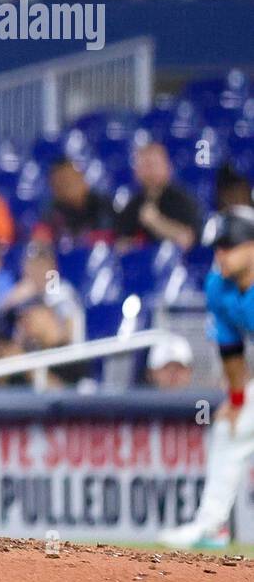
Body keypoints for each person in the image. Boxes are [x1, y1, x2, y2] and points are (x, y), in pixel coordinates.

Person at [161, 207, 254, 549]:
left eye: (230, 246)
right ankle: (212, 526)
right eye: (218, 247)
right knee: (232, 427)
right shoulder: (218, 285)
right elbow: (231, 347)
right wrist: (238, 400)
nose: (222, 254)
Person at [114, 142, 200, 250]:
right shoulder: (133, 204)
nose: (149, 172)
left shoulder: (183, 201)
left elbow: (188, 240)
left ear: (167, 167)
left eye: (153, 165)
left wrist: (156, 222)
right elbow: (121, 243)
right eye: (144, 166)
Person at [34, 159, 114, 246]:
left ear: (82, 179)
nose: (66, 187)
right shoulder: (51, 208)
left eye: (70, 180)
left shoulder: (101, 203)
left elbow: (104, 241)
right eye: (59, 184)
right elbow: (39, 240)